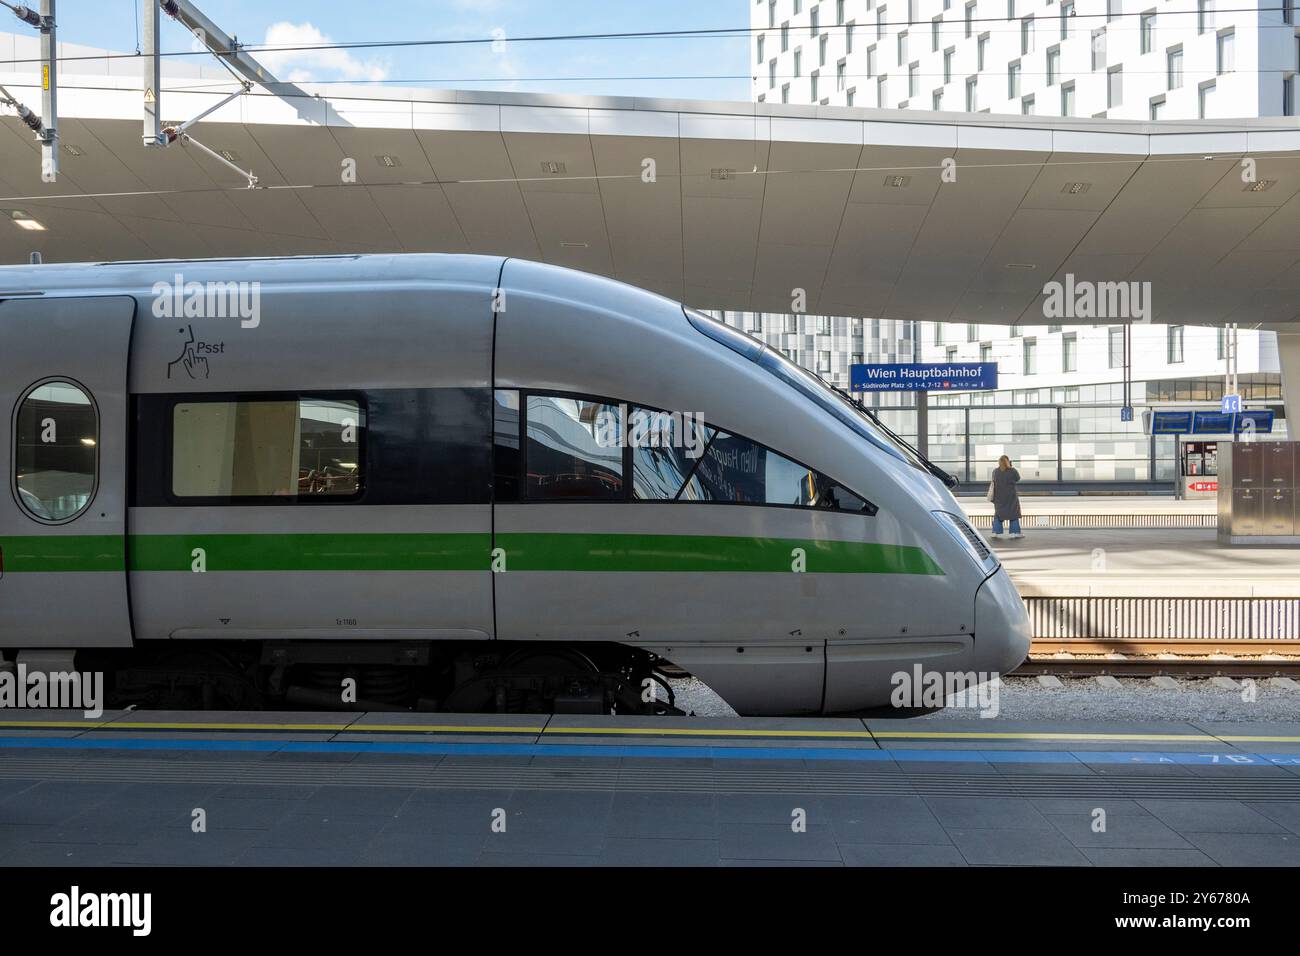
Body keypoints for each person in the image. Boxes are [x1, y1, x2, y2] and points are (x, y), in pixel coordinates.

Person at [990, 455, 1022, 539]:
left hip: (999, 497)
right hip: (1011, 497)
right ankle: (1014, 532)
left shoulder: (995, 471)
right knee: (1013, 514)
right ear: (1008, 461)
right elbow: (1018, 478)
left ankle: (995, 532)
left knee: (998, 514)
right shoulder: (1012, 471)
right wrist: (1010, 467)